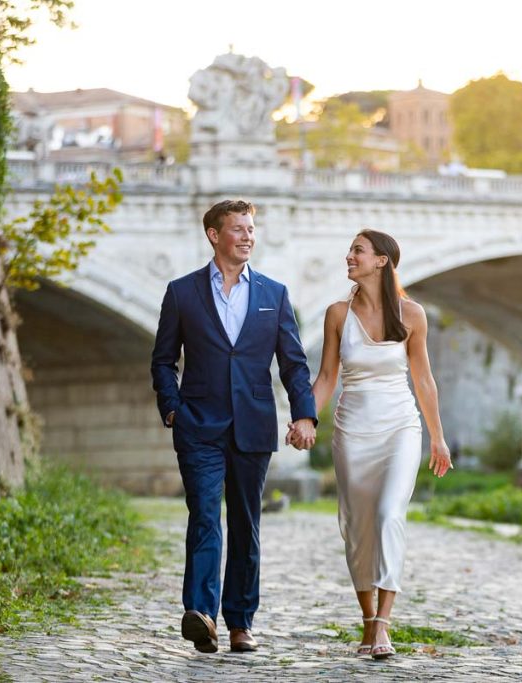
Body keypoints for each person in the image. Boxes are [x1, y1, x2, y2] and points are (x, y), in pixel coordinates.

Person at [151, 198, 317, 654]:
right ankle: (201, 615)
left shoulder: (273, 294)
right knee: (205, 515)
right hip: (198, 426)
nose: (247, 236)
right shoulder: (182, 292)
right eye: (238, 229)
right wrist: (172, 408)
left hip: (253, 425)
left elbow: (294, 363)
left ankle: (241, 621)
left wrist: (303, 413)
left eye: (251, 229)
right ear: (214, 235)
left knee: (246, 523)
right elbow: (164, 360)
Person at [293, 229, 452, 659]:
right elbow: (326, 378)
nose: (349, 256)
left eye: (357, 251)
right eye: (350, 251)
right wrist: (306, 417)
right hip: (352, 432)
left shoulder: (412, 314)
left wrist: (437, 438)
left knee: (387, 516)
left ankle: (384, 625)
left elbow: (423, 379)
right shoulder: (337, 314)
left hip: (401, 428)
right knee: (358, 528)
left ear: (381, 260)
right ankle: (367, 624)